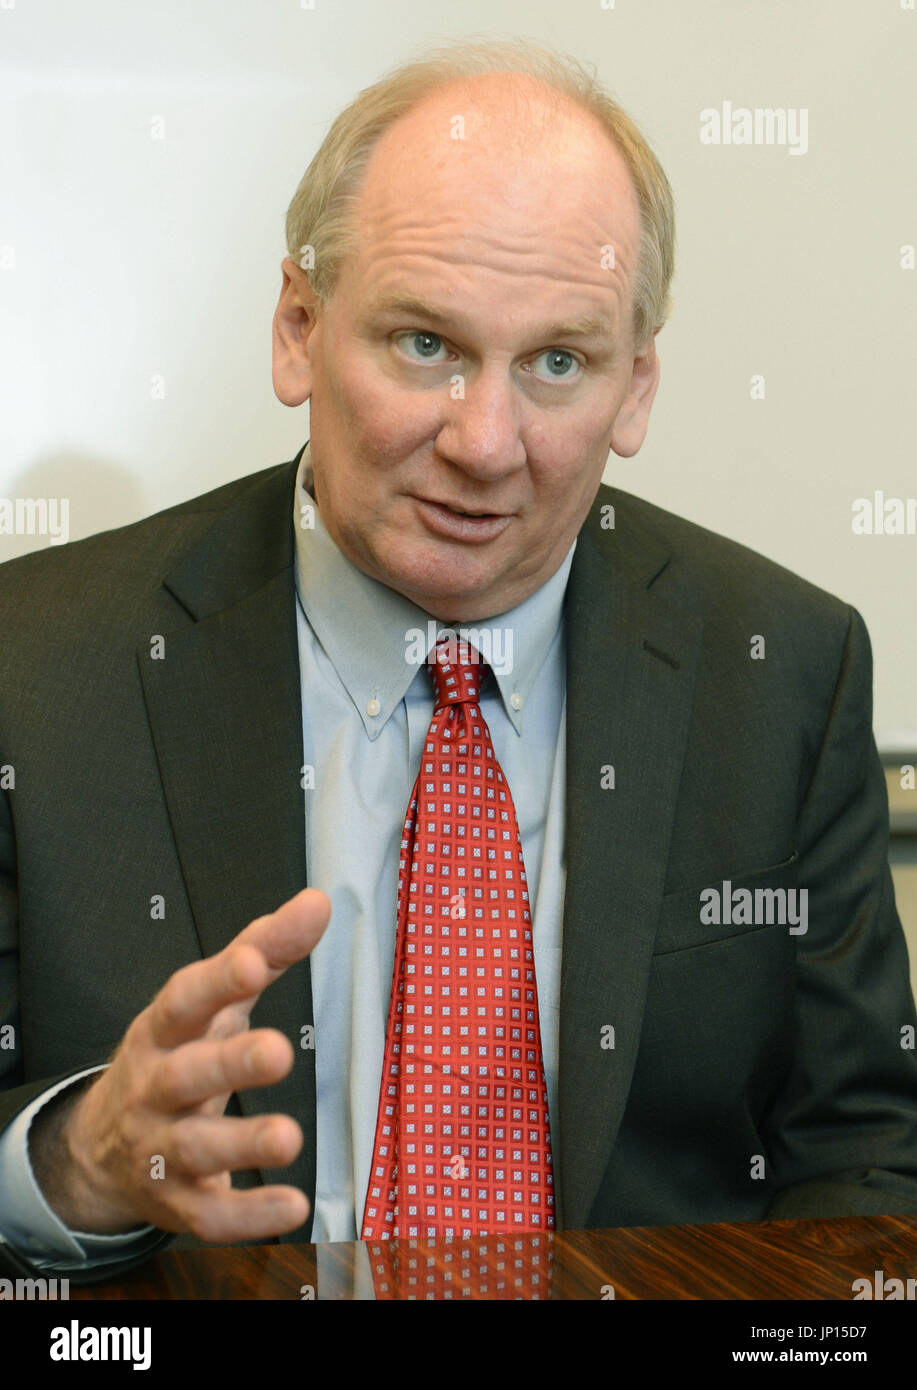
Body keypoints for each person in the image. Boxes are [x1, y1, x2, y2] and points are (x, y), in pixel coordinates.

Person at [1, 37, 915, 1283]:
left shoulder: (782, 674)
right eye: (424, 343)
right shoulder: (36, 668)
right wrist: (74, 1164)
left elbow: (861, 1151)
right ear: (297, 327)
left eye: (556, 362)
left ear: (634, 388)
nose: (485, 444)